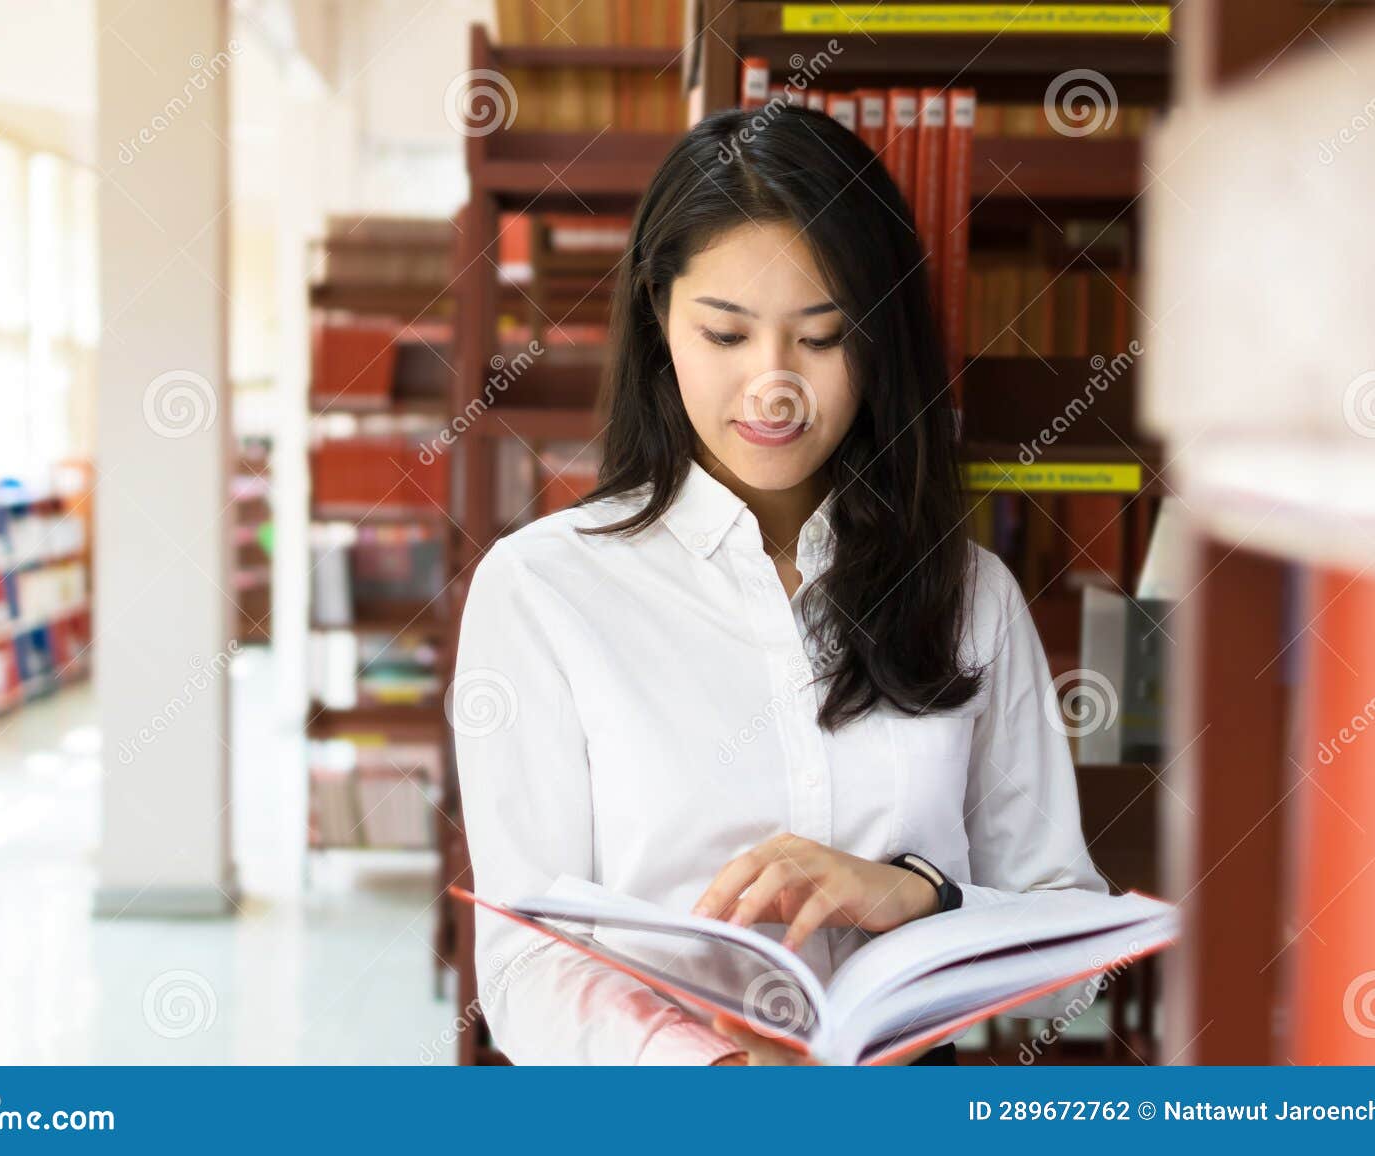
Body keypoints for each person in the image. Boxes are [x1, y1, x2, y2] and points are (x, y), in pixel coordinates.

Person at [451, 104, 1106, 1065]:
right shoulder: (543, 589)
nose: (773, 387)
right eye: (725, 335)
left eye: (824, 337)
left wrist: (920, 890)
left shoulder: (971, 595)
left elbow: (1073, 937)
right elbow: (520, 967)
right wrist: (711, 1075)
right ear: (658, 321)